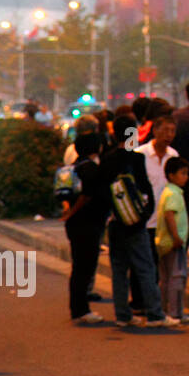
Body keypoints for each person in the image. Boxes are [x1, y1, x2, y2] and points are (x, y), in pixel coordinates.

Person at [104, 113, 172, 327]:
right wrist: (143, 216)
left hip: (116, 222)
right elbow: (146, 190)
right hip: (136, 223)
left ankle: (122, 315)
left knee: (118, 269)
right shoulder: (136, 158)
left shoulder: (108, 158)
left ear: (114, 133)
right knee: (145, 268)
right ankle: (155, 314)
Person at [62, 130, 109, 324]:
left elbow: (65, 195)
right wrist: (73, 211)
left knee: (78, 266)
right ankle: (82, 310)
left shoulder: (73, 167)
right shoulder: (91, 169)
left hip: (75, 224)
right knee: (85, 267)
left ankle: (77, 308)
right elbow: (88, 194)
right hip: (88, 223)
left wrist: (68, 212)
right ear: (96, 147)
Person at [137, 113, 178, 274]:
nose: (169, 135)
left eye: (173, 131)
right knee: (144, 266)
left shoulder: (173, 156)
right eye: (165, 130)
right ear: (155, 131)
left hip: (166, 221)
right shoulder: (140, 154)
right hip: (147, 220)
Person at [155, 157, 189, 322]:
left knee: (166, 278)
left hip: (164, 242)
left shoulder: (167, 192)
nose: (186, 177)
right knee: (176, 278)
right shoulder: (174, 194)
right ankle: (175, 313)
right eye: (182, 173)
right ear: (171, 175)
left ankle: (164, 310)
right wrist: (176, 236)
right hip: (173, 242)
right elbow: (170, 215)